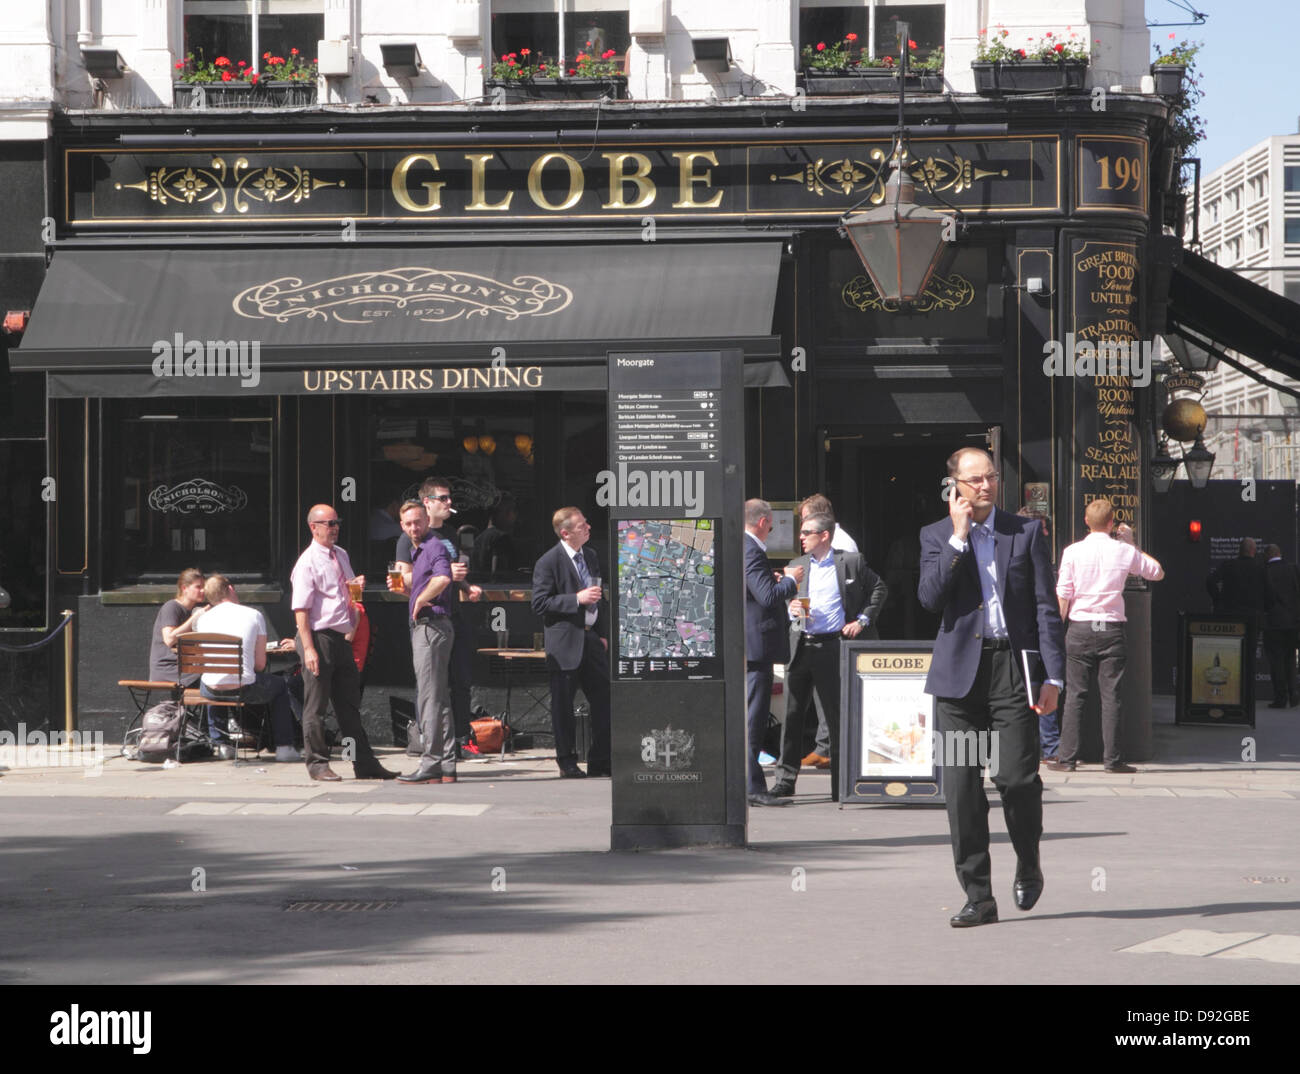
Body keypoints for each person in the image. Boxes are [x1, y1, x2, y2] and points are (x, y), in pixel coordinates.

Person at [918, 447, 1064, 927]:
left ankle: (1028, 860)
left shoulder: (1023, 531)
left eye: (991, 477)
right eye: (975, 479)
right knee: (961, 790)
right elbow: (930, 598)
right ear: (954, 485)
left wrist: (1053, 677)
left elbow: (1045, 606)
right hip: (959, 682)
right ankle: (979, 897)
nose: (985, 486)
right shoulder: (936, 536)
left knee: (1016, 780)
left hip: (1011, 673)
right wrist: (959, 540)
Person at [770, 512, 887, 802]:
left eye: (807, 532)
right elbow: (784, 601)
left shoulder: (849, 561)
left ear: (824, 536)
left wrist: (861, 620)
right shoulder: (796, 567)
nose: (801, 537)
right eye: (801, 532)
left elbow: (879, 589)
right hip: (801, 645)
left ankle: (840, 785)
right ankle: (785, 780)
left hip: (833, 646)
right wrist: (791, 606)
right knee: (792, 716)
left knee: (835, 718)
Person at [1049, 499, 1164, 775]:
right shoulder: (1124, 551)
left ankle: (1067, 759)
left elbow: (1063, 594)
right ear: (1112, 523)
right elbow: (1157, 572)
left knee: (1075, 695)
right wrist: (1133, 544)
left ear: (1086, 522)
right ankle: (1112, 760)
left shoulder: (1072, 552)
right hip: (1111, 628)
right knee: (1112, 696)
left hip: (1080, 627)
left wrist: (1056, 631)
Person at [290, 504, 396, 782]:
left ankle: (365, 763)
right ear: (313, 527)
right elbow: (300, 609)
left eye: (337, 522)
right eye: (329, 523)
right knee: (316, 705)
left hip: (340, 637)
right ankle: (317, 764)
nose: (335, 527)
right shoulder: (307, 562)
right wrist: (309, 648)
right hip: (318, 636)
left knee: (348, 704)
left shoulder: (341, 555)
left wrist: (355, 594)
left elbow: (349, 592)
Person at [530, 507, 611, 778]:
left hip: (591, 638)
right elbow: (540, 602)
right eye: (581, 525)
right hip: (565, 642)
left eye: (586, 523)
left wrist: (601, 632)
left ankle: (600, 760)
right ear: (565, 533)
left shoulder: (590, 555)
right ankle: (567, 761)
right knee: (563, 705)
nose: (588, 527)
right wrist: (576, 598)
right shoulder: (549, 561)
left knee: (604, 700)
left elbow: (599, 595)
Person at [194, 574, 301, 763]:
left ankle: (221, 744)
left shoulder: (202, 620)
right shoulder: (254, 615)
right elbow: (260, 665)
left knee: (214, 680)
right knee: (280, 686)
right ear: (231, 589)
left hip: (209, 690)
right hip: (244, 687)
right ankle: (284, 747)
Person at [743, 499, 803, 807]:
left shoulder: (745, 547)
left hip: (752, 645)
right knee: (753, 720)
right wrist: (792, 581)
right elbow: (766, 597)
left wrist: (775, 581)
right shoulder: (751, 548)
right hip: (756, 647)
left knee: (752, 718)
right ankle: (753, 787)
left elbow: (757, 590)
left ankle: (751, 785)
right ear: (764, 521)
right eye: (772, 522)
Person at [396, 496, 458, 784]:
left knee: (429, 698)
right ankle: (446, 763)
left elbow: (444, 579)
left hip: (431, 628)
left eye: (418, 522)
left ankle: (431, 763)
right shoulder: (417, 551)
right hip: (431, 626)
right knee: (439, 697)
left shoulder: (433, 546)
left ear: (426, 520)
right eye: (408, 523)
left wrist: (420, 599)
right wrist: (411, 595)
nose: (413, 527)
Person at [796, 493, 860, 770]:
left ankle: (828, 748)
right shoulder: (825, 545)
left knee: (829, 695)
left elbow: (855, 589)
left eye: (805, 522)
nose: (801, 531)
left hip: (833, 635)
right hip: (816, 629)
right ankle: (826, 746)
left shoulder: (841, 546)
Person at [419, 478, 483, 754]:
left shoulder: (451, 533)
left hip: (454, 614)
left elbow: (455, 569)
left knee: (462, 680)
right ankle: (435, 743)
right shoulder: (416, 534)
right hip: (431, 617)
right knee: (435, 683)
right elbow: (409, 576)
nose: (449, 503)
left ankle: (459, 740)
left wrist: (467, 586)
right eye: (443, 498)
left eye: (449, 499)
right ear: (428, 502)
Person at [1018, 507, 1060, 762]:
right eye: (1043, 527)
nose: (1046, 532)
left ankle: (1049, 747)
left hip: (1039, 634)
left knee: (1044, 689)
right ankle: (1048, 747)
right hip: (1028, 636)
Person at [148, 568, 207, 685]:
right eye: (198, 587)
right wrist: (194, 618)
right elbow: (169, 639)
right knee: (210, 676)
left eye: (204, 586)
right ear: (184, 588)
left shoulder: (193, 611)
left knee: (217, 673)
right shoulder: (172, 607)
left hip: (186, 667)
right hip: (168, 669)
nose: (203, 590)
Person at [1261, 544, 1300, 708]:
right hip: (1292, 622)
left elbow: (1265, 598)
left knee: (1276, 660)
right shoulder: (1293, 569)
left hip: (1273, 623)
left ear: (1267, 555)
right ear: (1279, 553)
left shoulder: (1265, 572)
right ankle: (1294, 693)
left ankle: (1280, 697)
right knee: (1290, 658)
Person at [1207, 538, 1265, 618]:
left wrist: (1218, 600)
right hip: (1252, 615)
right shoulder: (1260, 568)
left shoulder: (1228, 565)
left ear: (1239, 550)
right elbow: (1268, 593)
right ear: (1254, 551)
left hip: (1229, 613)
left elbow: (1210, 581)